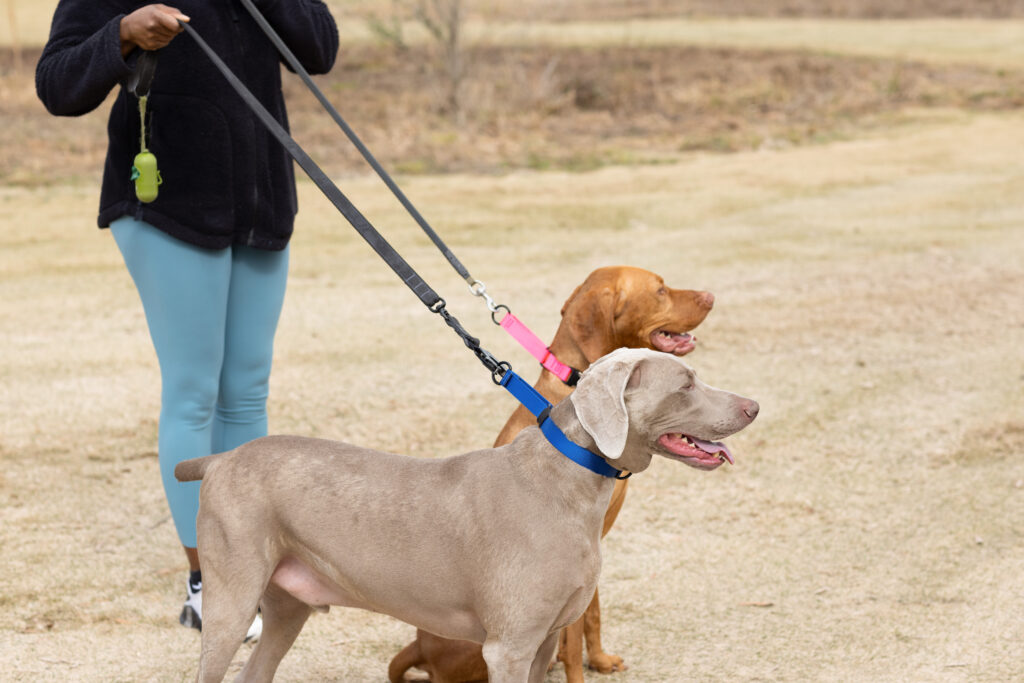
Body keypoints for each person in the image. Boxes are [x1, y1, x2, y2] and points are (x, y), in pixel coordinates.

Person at [36, 1, 339, 639]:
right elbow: (58, 84)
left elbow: (320, 50)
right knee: (195, 390)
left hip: (260, 203)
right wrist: (120, 35)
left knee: (247, 390)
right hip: (165, 204)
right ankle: (208, 582)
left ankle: (248, 560)